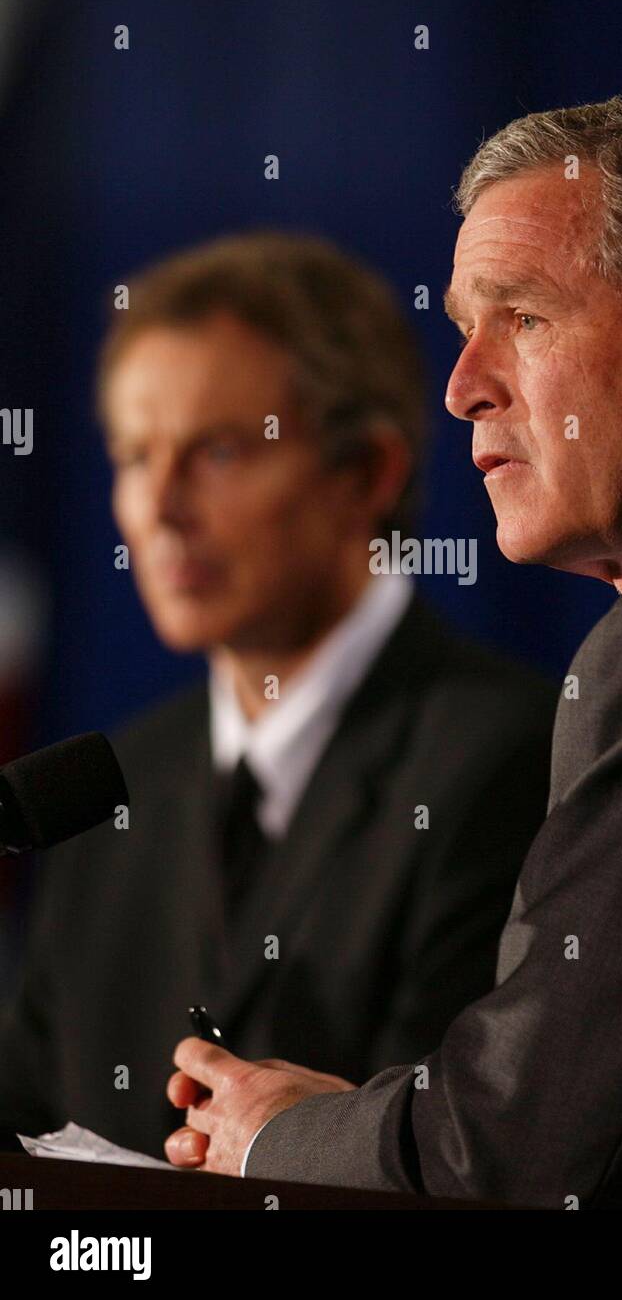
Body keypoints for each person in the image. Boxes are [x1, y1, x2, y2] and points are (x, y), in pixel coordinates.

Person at [163, 97, 622, 1209]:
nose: (462, 384)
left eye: (523, 318)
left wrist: (278, 1138)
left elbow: (541, 1157)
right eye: (461, 327)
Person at [0, 231, 557, 1158]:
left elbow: (485, 1151)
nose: (162, 506)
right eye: (137, 456)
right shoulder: (104, 787)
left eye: (216, 452)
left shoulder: (511, 758)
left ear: (365, 473)